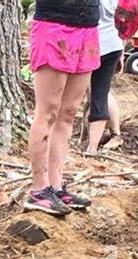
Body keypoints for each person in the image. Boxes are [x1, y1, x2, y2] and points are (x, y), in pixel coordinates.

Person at [24, 1, 100, 215]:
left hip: (88, 25)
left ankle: (56, 186)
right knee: (47, 112)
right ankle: (39, 189)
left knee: (68, 113)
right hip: (54, 23)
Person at [87, 0, 123, 154]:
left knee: (95, 94)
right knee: (102, 92)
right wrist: (121, 48)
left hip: (94, 44)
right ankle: (114, 134)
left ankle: (92, 146)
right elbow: (124, 21)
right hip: (113, 44)